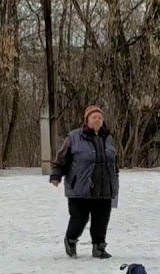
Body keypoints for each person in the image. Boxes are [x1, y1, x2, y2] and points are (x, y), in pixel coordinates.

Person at [50, 105, 120, 259]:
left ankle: (99, 247)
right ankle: (71, 240)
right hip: (80, 187)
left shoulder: (108, 139)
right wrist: (56, 175)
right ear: (87, 120)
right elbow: (61, 159)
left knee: (101, 218)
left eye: (100, 117)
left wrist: (114, 181)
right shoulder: (74, 137)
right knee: (79, 218)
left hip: (104, 187)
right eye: (94, 117)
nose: (97, 120)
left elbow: (114, 162)